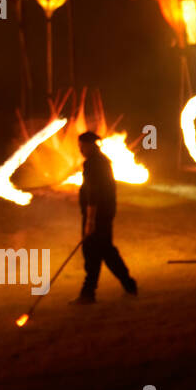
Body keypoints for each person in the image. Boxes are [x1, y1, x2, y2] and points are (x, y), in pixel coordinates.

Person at [73, 130, 137, 304]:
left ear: (90, 145)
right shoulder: (102, 162)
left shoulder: (93, 164)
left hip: (97, 215)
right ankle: (128, 285)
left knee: (93, 252)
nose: (81, 150)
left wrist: (90, 221)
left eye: (82, 146)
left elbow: (94, 193)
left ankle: (88, 293)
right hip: (104, 214)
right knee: (106, 251)